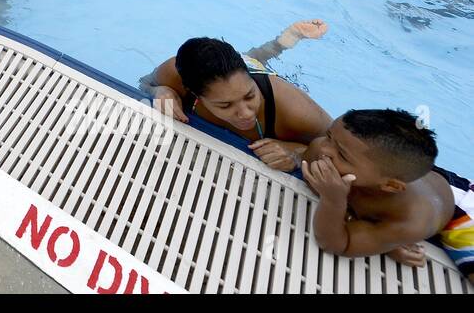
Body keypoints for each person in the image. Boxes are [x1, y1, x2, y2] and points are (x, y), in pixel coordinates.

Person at [301, 109, 472, 279]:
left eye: (342, 155)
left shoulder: (409, 221)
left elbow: (336, 244)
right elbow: (309, 168)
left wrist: (333, 201)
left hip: (462, 207)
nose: (323, 149)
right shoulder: (333, 151)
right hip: (416, 178)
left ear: (390, 185)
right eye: (329, 136)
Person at [142, 21, 331, 169]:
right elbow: (145, 83)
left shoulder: (294, 110)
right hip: (239, 72)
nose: (247, 114)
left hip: (259, 78)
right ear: (194, 94)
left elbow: (341, 147)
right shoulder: (174, 74)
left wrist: (299, 152)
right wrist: (160, 90)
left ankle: (285, 40)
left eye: (250, 96)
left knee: (255, 60)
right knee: (251, 59)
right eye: (225, 105)